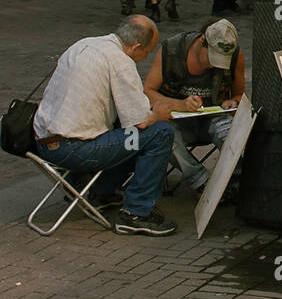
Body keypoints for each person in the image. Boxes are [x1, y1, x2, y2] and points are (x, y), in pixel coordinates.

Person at [32, 16, 177, 237]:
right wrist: (158, 115)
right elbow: (141, 121)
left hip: (43, 143)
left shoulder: (83, 44)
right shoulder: (120, 61)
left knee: (124, 134)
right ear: (136, 46)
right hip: (75, 150)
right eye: (146, 52)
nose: (143, 58)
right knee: (159, 134)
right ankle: (136, 213)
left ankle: (101, 192)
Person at [144, 18, 244, 194]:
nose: (214, 64)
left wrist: (233, 102)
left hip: (212, 119)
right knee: (161, 132)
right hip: (177, 121)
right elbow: (148, 92)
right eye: (212, 58)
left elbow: (239, 95)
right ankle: (200, 181)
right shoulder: (172, 50)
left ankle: (236, 180)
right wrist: (180, 105)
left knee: (228, 130)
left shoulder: (236, 55)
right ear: (202, 41)